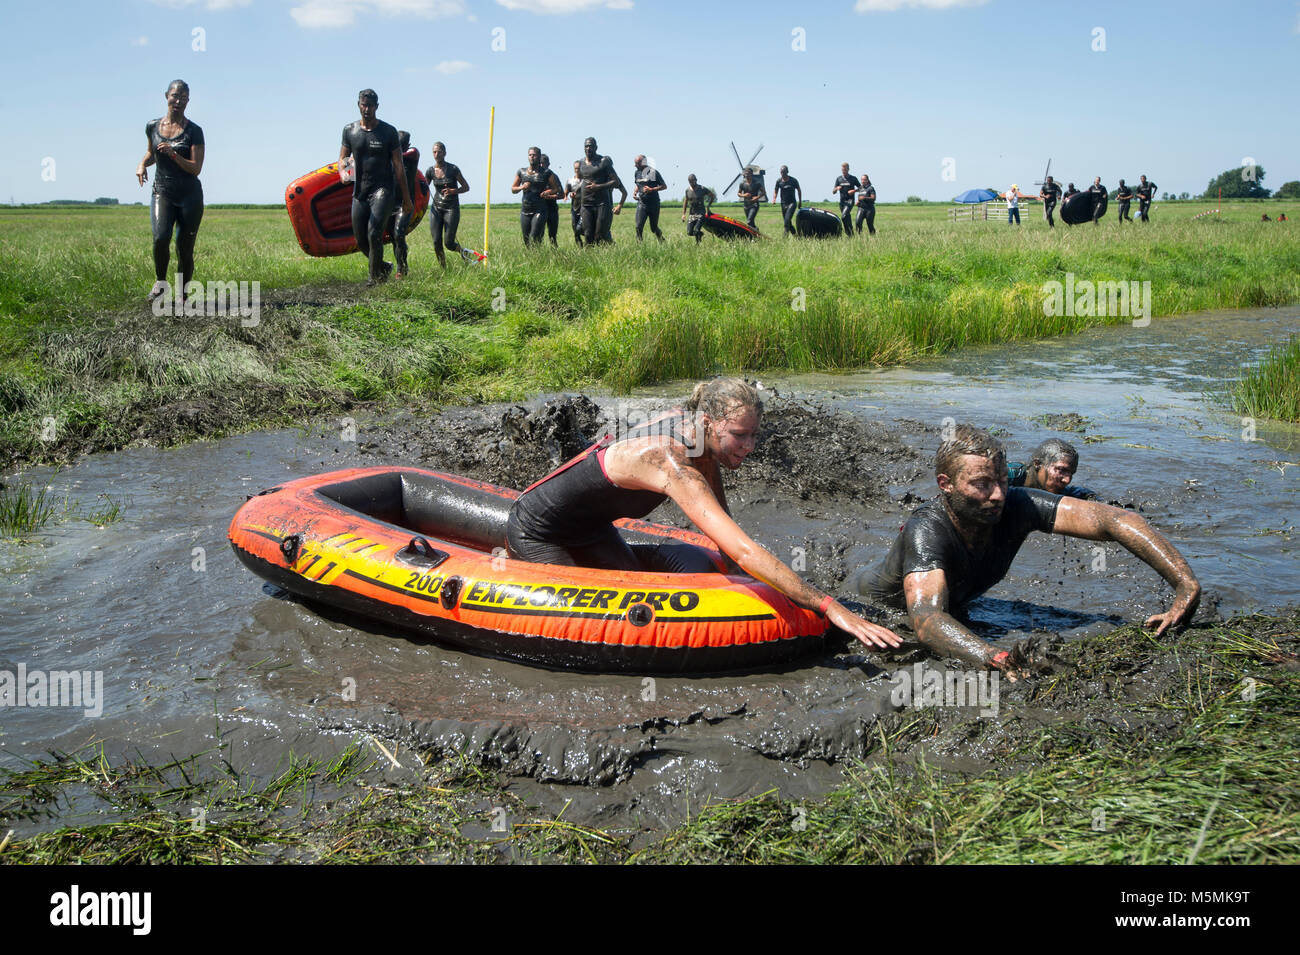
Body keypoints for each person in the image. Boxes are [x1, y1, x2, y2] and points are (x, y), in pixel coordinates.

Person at [505, 378, 903, 651]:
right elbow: (745, 551)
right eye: (739, 435)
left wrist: (748, 583)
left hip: (592, 530)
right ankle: (508, 560)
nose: (749, 445)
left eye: (753, 434)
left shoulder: (700, 438)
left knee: (636, 584)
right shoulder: (671, 459)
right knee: (596, 627)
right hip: (539, 531)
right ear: (709, 423)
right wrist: (829, 606)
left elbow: (725, 533)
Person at [855, 425, 1200, 679]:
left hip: (954, 604)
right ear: (945, 484)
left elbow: (1115, 520)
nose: (997, 496)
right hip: (877, 608)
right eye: (982, 485)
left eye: (1002, 482)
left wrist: (1184, 584)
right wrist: (997, 656)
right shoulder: (927, 530)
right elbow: (927, 621)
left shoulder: (1018, 505)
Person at [137, 79, 205, 303]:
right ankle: (160, 283)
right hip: (162, 191)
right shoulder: (152, 126)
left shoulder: (194, 131)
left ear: (188, 101)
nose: (178, 101)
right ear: (166, 96)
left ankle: (183, 296)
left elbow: (195, 168)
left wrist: (174, 155)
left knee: (184, 248)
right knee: (160, 237)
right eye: (175, 96)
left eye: (184, 98)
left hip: (189, 197)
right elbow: (151, 153)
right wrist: (141, 165)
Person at [339, 89, 413, 285]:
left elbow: (398, 166)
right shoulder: (350, 130)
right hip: (360, 191)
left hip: (383, 190)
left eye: (370, 105)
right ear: (358, 105)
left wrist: (406, 199)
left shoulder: (388, 132)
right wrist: (344, 173)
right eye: (364, 105)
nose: (367, 109)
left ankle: (374, 281)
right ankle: (383, 266)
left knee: (374, 234)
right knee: (361, 239)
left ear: (377, 107)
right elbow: (343, 158)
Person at [425, 141, 469, 268]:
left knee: (448, 243)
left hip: (451, 208)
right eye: (434, 152)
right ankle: (443, 268)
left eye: (439, 151)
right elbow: (424, 188)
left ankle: (463, 252)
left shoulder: (453, 169)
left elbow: (466, 187)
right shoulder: (430, 171)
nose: (436, 154)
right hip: (436, 208)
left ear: (444, 153)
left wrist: (453, 191)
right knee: (436, 241)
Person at [1007, 438, 1097, 500]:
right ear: (1037, 464)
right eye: (1061, 470)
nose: (1067, 480)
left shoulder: (1056, 489)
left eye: (1071, 474)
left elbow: (1080, 492)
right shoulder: (1009, 475)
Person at [513, 146, 561, 246]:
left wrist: (547, 192)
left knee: (534, 236)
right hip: (525, 210)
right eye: (530, 155)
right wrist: (522, 187)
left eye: (534, 155)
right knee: (526, 240)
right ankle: (533, 257)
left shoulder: (547, 173)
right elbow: (513, 189)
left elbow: (556, 189)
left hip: (540, 210)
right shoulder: (521, 172)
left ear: (539, 157)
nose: (532, 157)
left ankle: (537, 255)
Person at [387, 131, 419, 277]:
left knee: (399, 234)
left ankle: (401, 269)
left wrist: (390, 154)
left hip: (406, 204)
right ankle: (400, 266)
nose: (399, 148)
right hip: (389, 203)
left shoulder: (412, 155)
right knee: (394, 238)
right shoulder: (389, 159)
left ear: (407, 145)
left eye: (402, 146)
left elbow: (409, 153)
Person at [578, 136, 619, 245]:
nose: (588, 148)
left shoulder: (603, 161)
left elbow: (616, 182)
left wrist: (598, 186)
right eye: (586, 146)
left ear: (596, 147)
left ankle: (610, 247)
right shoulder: (581, 163)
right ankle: (588, 258)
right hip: (586, 204)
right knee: (587, 234)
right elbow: (583, 181)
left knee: (600, 235)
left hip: (601, 203)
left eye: (590, 146)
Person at [632, 155, 667, 241]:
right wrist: (635, 192)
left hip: (654, 204)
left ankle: (661, 240)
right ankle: (640, 248)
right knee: (638, 226)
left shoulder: (653, 172)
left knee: (653, 228)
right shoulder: (637, 172)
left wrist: (652, 189)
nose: (635, 165)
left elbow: (664, 186)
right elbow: (638, 184)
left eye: (636, 163)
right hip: (642, 203)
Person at [682, 174, 715, 243]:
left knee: (697, 230)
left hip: (701, 213)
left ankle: (698, 245)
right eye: (690, 182)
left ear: (696, 180)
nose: (691, 183)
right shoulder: (687, 190)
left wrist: (708, 206)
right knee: (689, 232)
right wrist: (683, 214)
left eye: (692, 181)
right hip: (692, 214)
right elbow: (685, 201)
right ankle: (700, 234)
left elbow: (712, 196)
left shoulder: (702, 189)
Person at [772, 165, 801, 236]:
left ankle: (784, 238)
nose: (782, 174)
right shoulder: (778, 181)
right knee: (788, 222)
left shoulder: (793, 180)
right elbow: (776, 190)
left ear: (787, 172)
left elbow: (799, 190)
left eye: (784, 172)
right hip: (783, 204)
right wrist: (774, 199)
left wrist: (800, 201)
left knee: (787, 221)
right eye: (781, 172)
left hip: (792, 203)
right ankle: (796, 235)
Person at [539, 154, 562, 247]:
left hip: (552, 209)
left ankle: (555, 254)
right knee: (538, 234)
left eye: (543, 163)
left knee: (552, 235)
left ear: (548, 164)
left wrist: (550, 196)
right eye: (539, 163)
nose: (541, 165)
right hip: (539, 209)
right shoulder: (535, 177)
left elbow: (562, 194)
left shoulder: (554, 176)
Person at [832, 162, 859, 235]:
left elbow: (861, 188)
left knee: (844, 216)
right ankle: (850, 234)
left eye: (845, 170)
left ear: (848, 169)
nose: (844, 171)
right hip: (842, 202)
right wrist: (836, 188)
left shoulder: (853, 178)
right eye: (842, 170)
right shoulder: (839, 179)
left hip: (850, 201)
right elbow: (833, 192)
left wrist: (854, 191)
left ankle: (849, 233)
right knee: (847, 218)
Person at [565, 160, 584, 245]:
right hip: (575, 208)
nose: (577, 170)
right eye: (575, 168)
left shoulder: (586, 180)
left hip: (585, 207)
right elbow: (566, 192)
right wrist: (568, 195)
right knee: (575, 228)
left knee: (581, 228)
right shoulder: (570, 180)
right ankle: (580, 246)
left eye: (579, 168)